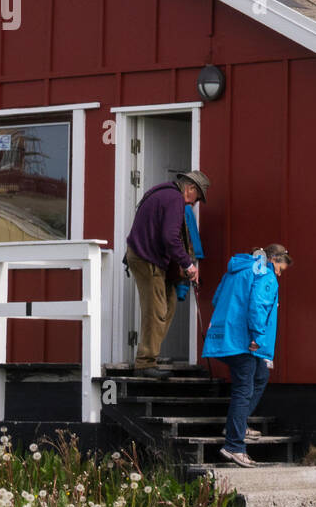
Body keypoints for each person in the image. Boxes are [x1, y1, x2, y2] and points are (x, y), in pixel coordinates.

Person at [201, 243, 292, 468]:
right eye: (280, 268)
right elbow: (258, 305)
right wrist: (257, 336)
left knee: (260, 376)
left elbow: (216, 299)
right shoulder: (266, 274)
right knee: (243, 390)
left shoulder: (236, 270)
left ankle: (237, 425)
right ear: (274, 260)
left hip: (226, 336)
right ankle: (234, 446)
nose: (280, 273)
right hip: (244, 340)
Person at [124, 169, 210, 377]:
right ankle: (145, 363)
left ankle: (149, 355)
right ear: (190, 188)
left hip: (146, 256)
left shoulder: (162, 193)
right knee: (156, 310)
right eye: (196, 198)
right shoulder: (175, 200)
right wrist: (188, 265)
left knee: (168, 305)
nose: (194, 204)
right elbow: (170, 238)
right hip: (147, 259)